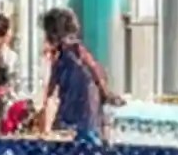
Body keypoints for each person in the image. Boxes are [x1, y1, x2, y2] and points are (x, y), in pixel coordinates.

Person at [40, 8, 124, 145]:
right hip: (80, 104)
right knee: (83, 136)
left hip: (81, 104)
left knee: (76, 136)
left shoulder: (73, 48)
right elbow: (94, 69)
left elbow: (93, 68)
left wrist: (106, 92)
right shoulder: (64, 52)